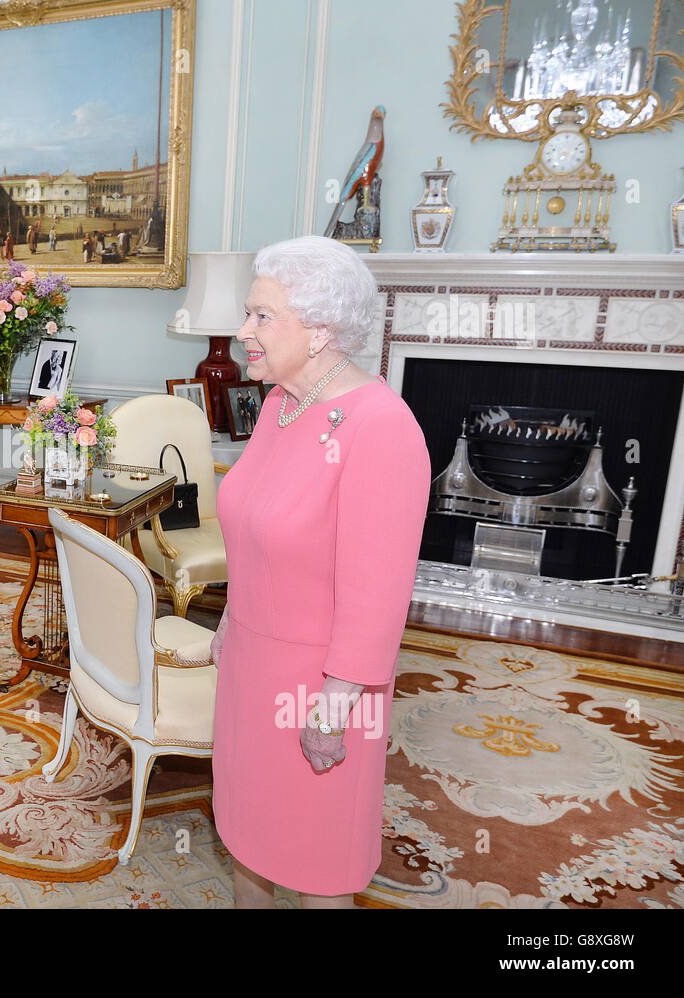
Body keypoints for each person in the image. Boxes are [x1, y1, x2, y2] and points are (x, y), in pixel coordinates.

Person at [211, 234, 430, 909]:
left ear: (320, 330)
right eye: (249, 313)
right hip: (252, 663)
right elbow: (254, 530)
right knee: (251, 839)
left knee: (315, 859)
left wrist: (332, 713)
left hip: (322, 689)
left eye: (262, 316)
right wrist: (226, 622)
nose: (243, 331)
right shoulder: (283, 403)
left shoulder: (380, 425)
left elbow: (378, 595)